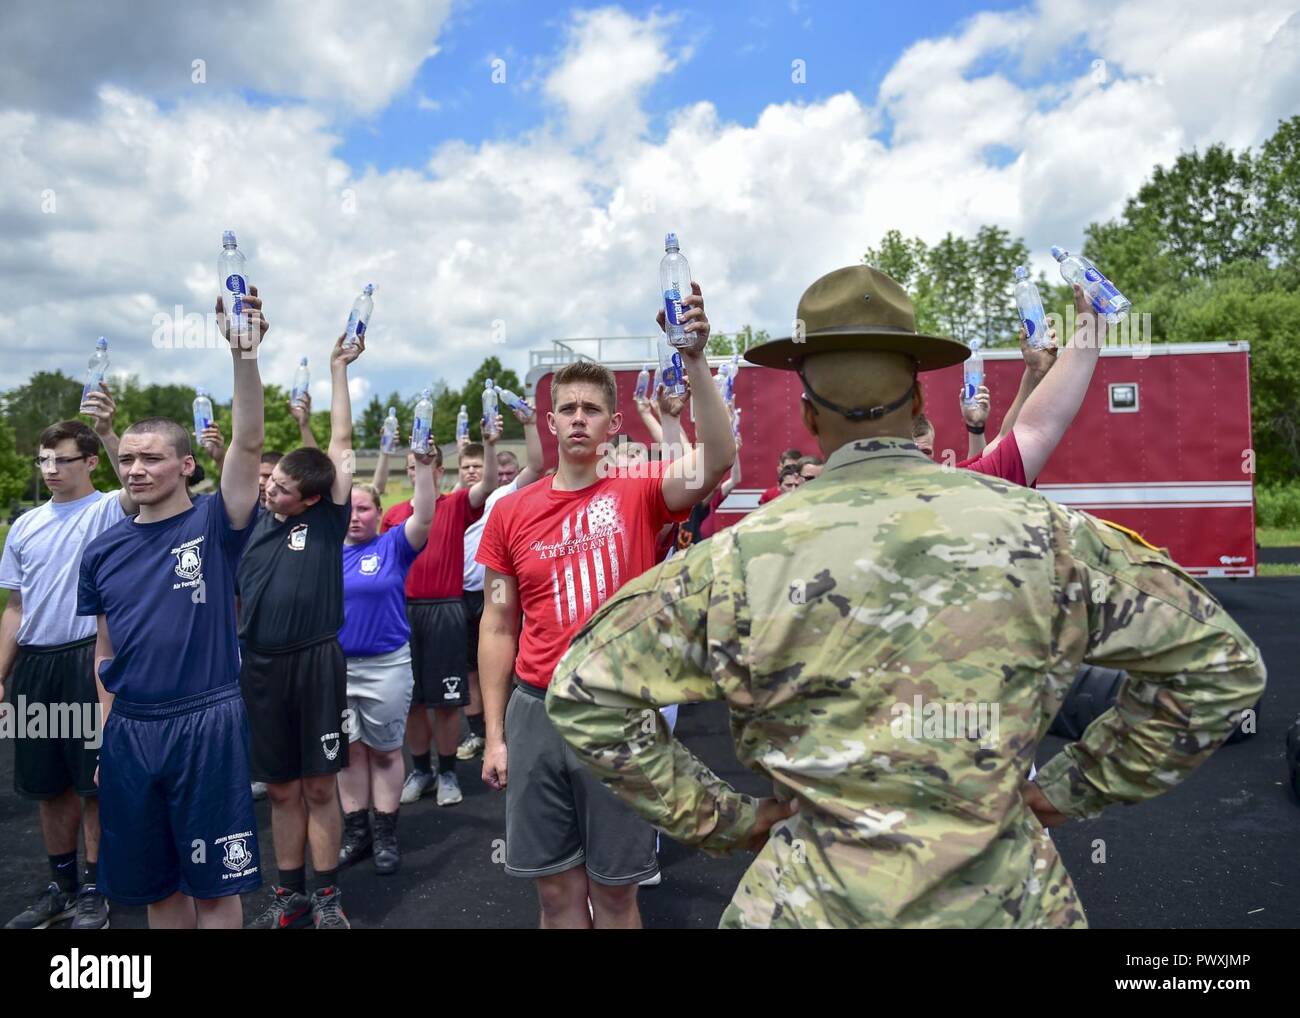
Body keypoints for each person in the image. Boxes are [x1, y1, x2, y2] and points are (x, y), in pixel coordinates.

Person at [544, 264, 1267, 928]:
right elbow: (1219, 668)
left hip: (809, 903)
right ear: (920, 395)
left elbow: (583, 692)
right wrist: (1071, 788)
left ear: (807, 414)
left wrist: (726, 820)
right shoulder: (1047, 536)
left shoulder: (735, 560)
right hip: (1006, 904)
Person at [476, 281, 734, 928]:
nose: (580, 417)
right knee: (556, 896)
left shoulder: (639, 490)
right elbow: (498, 622)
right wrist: (495, 735)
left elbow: (719, 459)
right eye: (568, 408)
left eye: (593, 408)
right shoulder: (511, 512)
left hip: (622, 712)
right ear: (552, 421)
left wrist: (697, 359)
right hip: (538, 712)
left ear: (613, 424)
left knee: (617, 893)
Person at [76, 284, 269, 929]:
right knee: (158, 889)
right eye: (126, 458)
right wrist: (106, 739)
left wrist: (243, 356)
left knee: (215, 888)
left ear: (186, 465)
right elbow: (105, 655)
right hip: (131, 729)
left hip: (206, 723)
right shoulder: (102, 552)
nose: (135, 468)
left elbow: (245, 444)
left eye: (151, 457)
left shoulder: (217, 524)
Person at [237, 334, 364, 930]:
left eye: (284, 487)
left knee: (319, 787)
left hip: (316, 663)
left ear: (311, 497)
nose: (272, 490)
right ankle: (289, 897)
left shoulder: (326, 519)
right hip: (260, 667)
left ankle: (328, 898)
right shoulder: (249, 520)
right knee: (282, 791)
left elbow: (339, 441)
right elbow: (246, 446)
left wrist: (338, 369)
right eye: (272, 481)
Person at [1, 390, 135, 931]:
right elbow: (15, 607)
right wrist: (2, 672)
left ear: (89, 463)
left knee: (92, 783)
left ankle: (96, 893)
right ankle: (61, 885)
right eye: (44, 459)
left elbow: (135, 482)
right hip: (36, 663)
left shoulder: (108, 508)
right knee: (46, 783)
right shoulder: (25, 525)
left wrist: (107, 428)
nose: (52, 468)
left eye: (63, 459)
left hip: (88, 660)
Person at [375, 427, 500, 807]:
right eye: (412, 467)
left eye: (425, 466)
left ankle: (447, 772)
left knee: (447, 701)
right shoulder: (395, 515)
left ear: (440, 472)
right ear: (407, 472)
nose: (418, 472)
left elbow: (490, 484)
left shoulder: (457, 503)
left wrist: (491, 445)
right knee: (410, 702)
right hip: (403, 614)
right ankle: (422, 771)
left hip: (446, 609)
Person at [335, 469, 434, 875]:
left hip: (386, 665)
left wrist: (425, 468)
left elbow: (424, 514)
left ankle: (386, 831)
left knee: (385, 751)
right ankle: (358, 833)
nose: (355, 516)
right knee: (349, 752)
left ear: (379, 513)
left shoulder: (395, 545)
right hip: (336, 668)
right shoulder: (324, 551)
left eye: (363, 508)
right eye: (349, 509)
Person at [459, 419, 546, 762]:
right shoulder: (453, 501)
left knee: (503, 664)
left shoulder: (499, 496)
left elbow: (536, 465)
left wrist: (525, 424)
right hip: (460, 596)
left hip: (496, 595)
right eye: (465, 467)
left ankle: (507, 732)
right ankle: (480, 735)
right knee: (470, 669)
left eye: (477, 466)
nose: (471, 472)